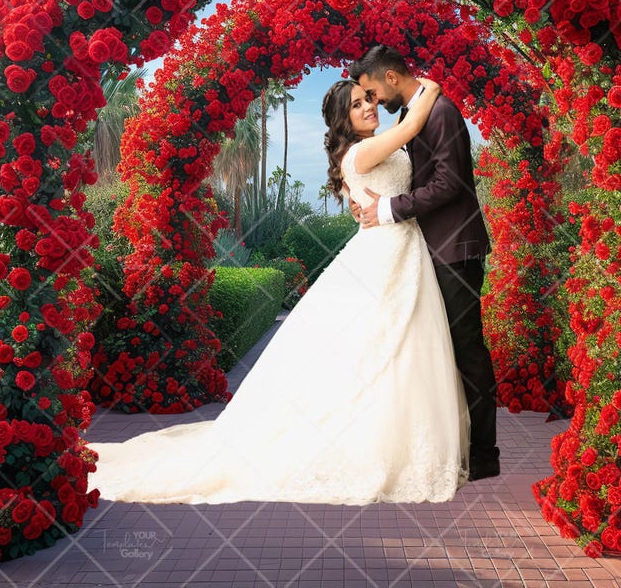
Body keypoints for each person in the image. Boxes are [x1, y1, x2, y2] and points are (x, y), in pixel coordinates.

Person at [88, 76, 470, 505]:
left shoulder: (371, 147)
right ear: (343, 118)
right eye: (360, 104)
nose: (370, 106)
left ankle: (404, 440)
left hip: (402, 248)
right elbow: (411, 127)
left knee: (402, 345)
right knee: (378, 344)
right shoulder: (360, 152)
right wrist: (430, 88)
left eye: (369, 100)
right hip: (383, 254)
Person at [347, 46, 499, 481]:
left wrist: (390, 208)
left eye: (372, 91)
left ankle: (484, 455)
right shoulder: (412, 116)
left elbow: (450, 183)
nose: (373, 101)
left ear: (392, 78)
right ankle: (451, 446)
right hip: (427, 249)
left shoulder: (442, 112)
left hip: (456, 248)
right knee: (436, 350)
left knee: (467, 350)